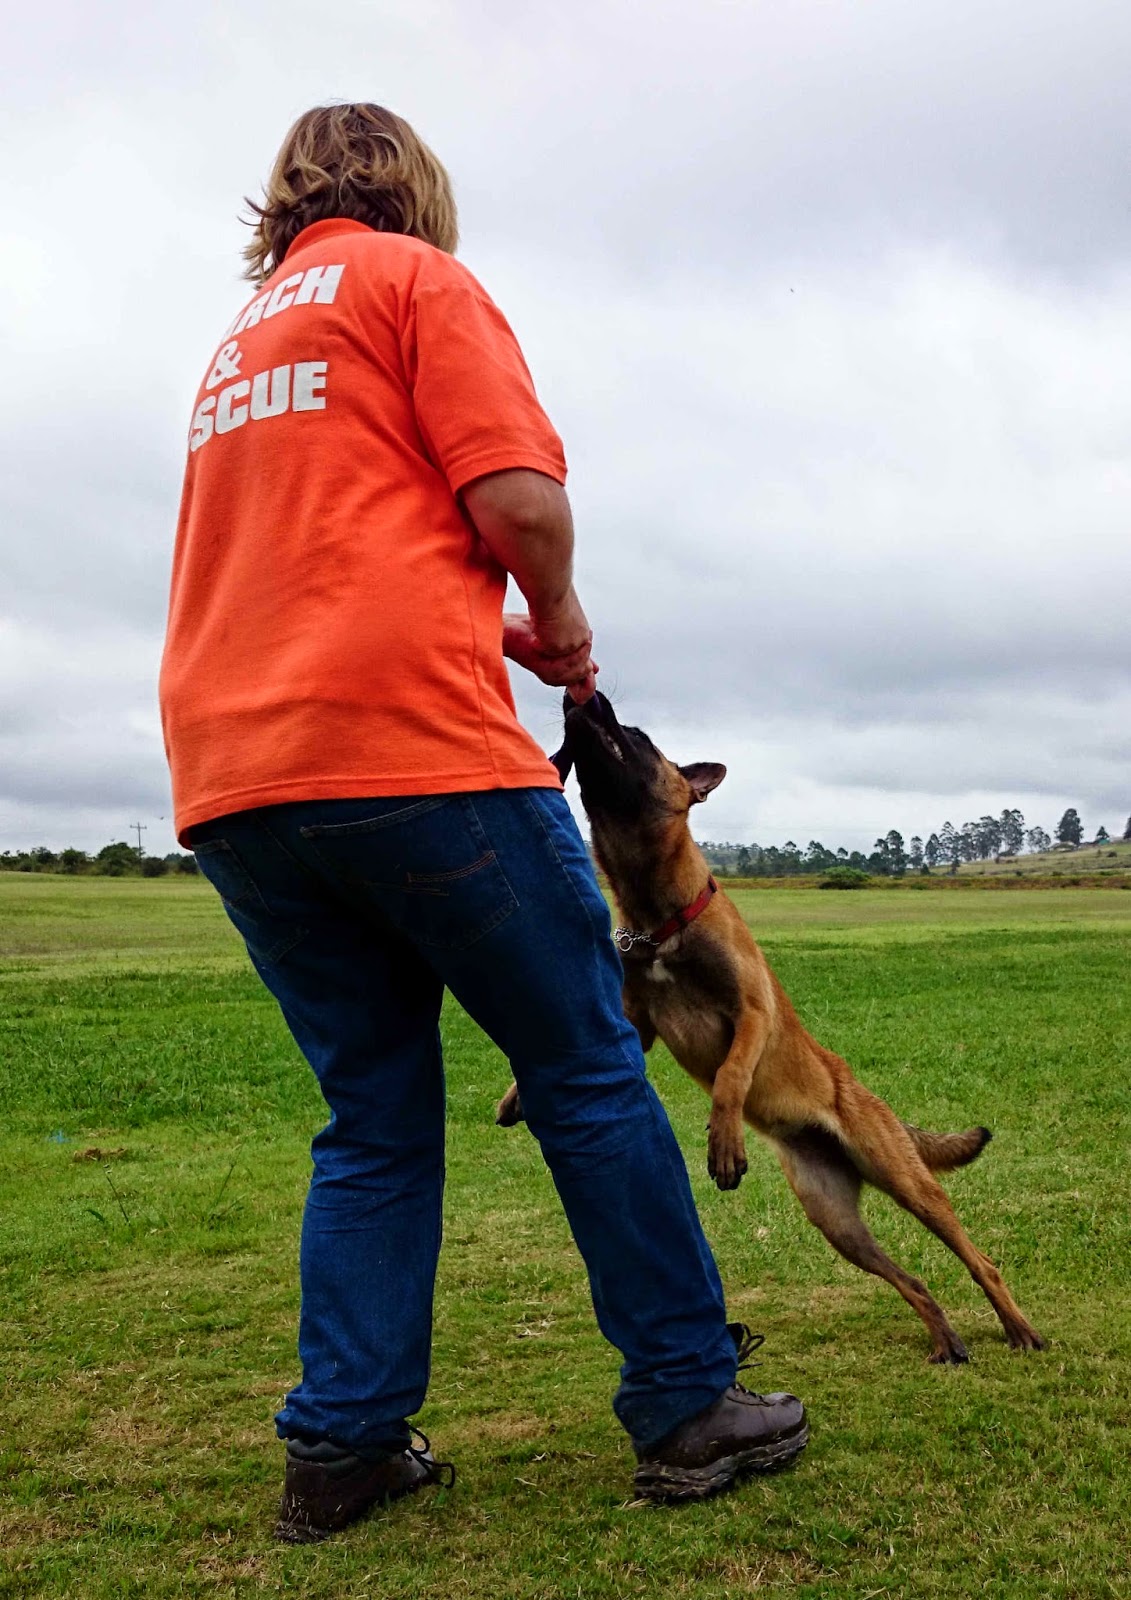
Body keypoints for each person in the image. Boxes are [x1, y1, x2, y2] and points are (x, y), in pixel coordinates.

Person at [160, 102, 806, 1543]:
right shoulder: (415, 283)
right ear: (416, 197)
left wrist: (484, 624)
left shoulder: (242, 346)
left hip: (238, 780)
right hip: (412, 754)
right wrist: (560, 621)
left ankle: (342, 1448)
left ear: (286, 202)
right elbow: (518, 496)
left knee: (374, 1121)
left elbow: (324, 550)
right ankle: (690, 1403)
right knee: (583, 1061)